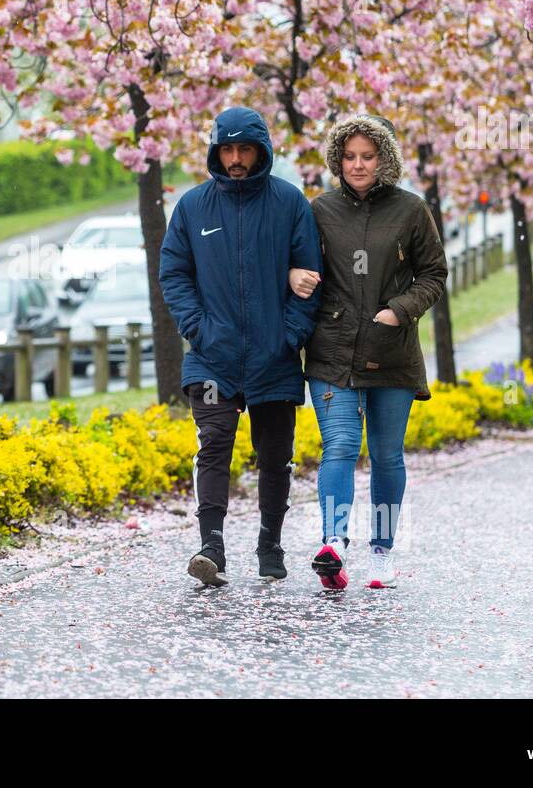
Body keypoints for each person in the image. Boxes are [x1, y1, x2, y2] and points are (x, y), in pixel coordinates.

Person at [160, 106, 322, 587]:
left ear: (261, 151)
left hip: (275, 361)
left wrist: (288, 337)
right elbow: (174, 274)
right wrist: (198, 329)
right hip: (213, 360)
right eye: (227, 149)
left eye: (244, 149)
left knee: (275, 456)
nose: (235, 158)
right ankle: (211, 545)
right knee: (213, 445)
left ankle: (269, 544)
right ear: (215, 150)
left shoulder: (290, 203)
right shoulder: (192, 207)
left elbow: (312, 277)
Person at [288, 114, 448, 590]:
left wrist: (400, 310)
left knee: (385, 455)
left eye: (368, 156)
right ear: (338, 159)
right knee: (338, 446)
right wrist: (291, 276)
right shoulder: (319, 211)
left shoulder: (411, 211)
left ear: (385, 159)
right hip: (331, 351)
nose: (358, 165)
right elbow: (294, 263)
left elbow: (434, 274)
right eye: (350, 156)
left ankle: (382, 551)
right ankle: (333, 543)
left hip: (391, 352)